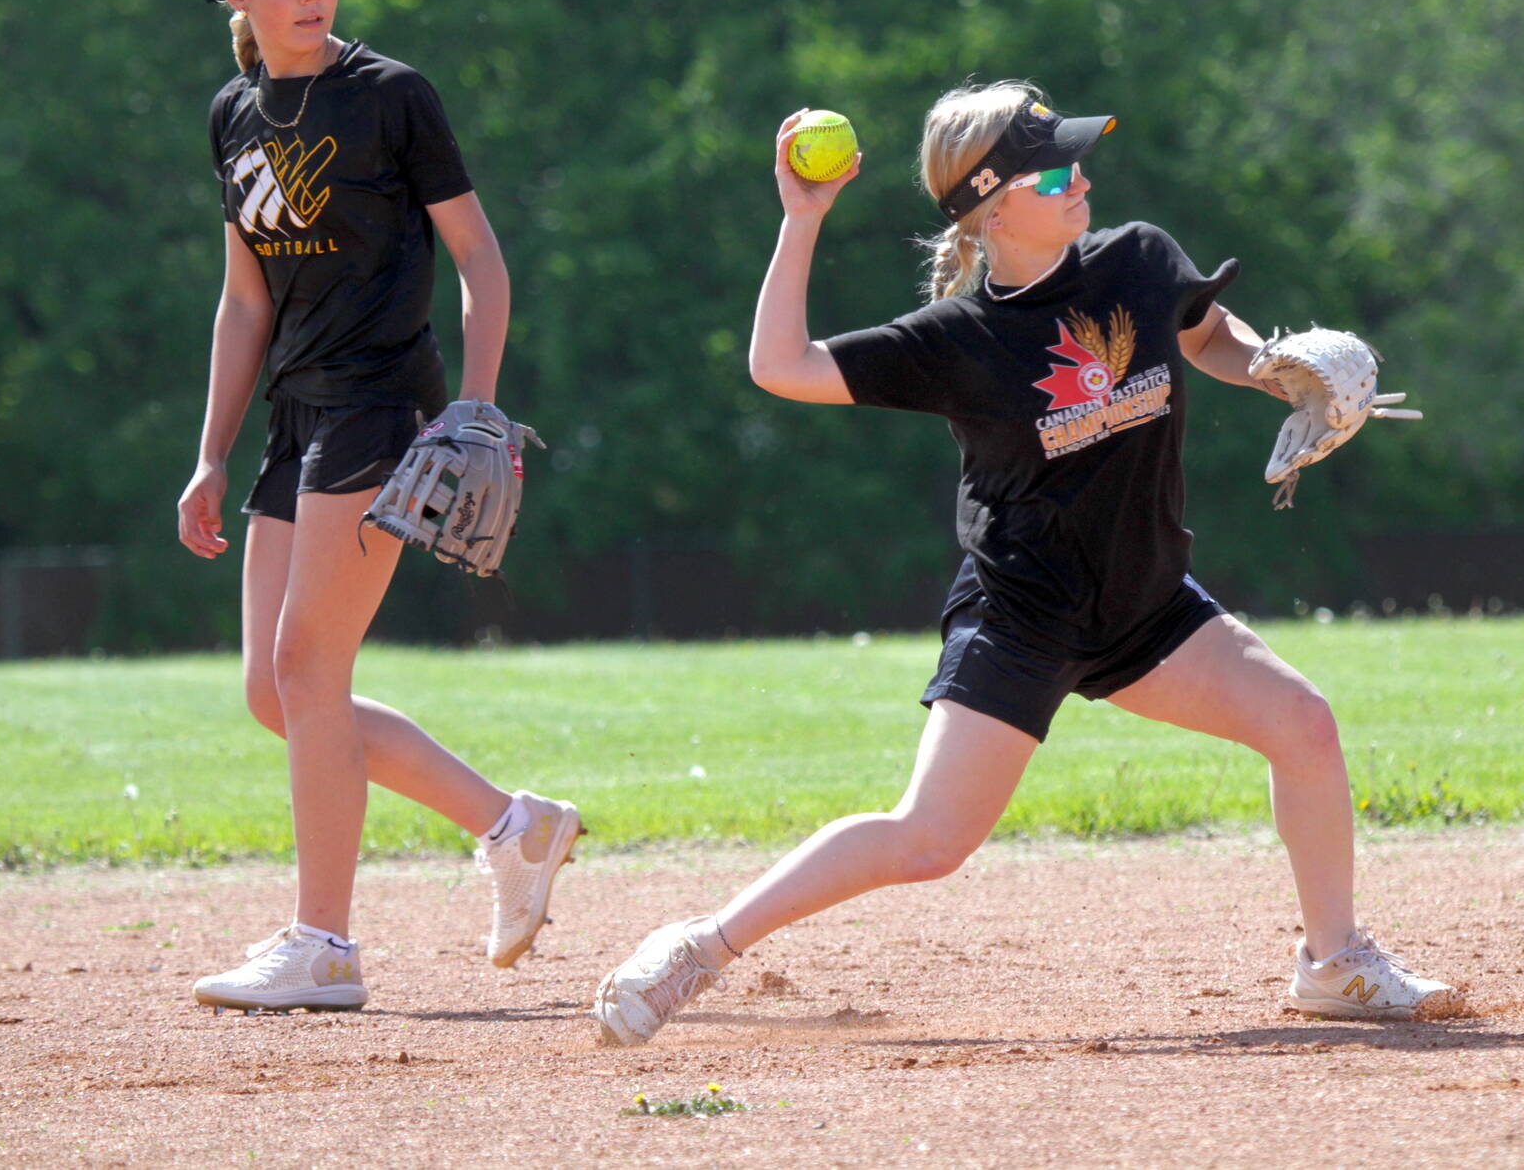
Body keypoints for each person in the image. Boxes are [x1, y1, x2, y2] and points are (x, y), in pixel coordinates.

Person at [592, 81, 1459, 1044]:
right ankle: (697, 946)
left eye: (1077, 158)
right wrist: (803, 220)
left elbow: (1204, 332)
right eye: (1055, 168)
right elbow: (779, 366)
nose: (1079, 174)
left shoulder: (1137, 259)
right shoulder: (960, 339)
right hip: (1023, 614)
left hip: (1144, 601)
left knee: (1302, 724)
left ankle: (1333, 959)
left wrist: (1269, 368)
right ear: (991, 200)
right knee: (927, 839)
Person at [175, 0, 579, 1013]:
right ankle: (513, 825)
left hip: (382, 407)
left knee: (310, 672)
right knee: (275, 692)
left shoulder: (390, 96)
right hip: (294, 414)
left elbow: (481, 262)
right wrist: (210, 453)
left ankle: (325, 947)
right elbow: (242, 301)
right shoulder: (234, 113)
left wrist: (478, 410)